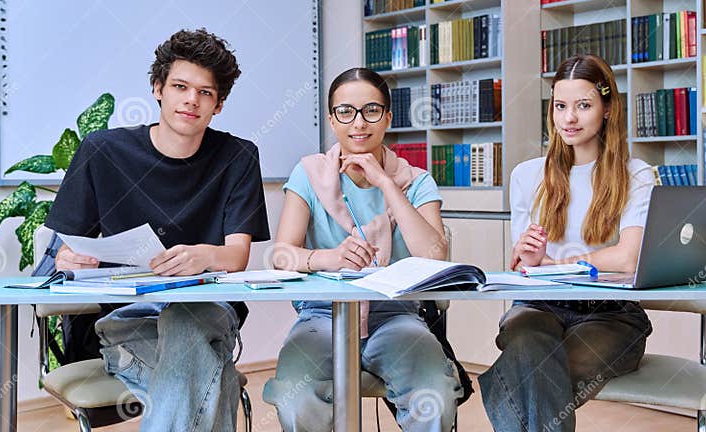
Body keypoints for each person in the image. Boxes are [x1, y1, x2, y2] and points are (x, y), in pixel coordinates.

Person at [44, 28, 270, 432]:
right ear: (157, 88)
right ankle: (223, 378)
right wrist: (68, 258)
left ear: (218, 105)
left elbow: (236, 256)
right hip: (129, 322)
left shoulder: (238, 157)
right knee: (217, 380)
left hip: (207, 314)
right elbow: (62, 251)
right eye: (181, 86)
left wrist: (204, 254)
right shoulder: (102, 151)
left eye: (205, 92)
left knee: (189, 328)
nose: (191, 100)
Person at [262, 67, 463, 431]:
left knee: (435, 394)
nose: (359, 123)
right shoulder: (308, 173)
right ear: (331, 119)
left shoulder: (416, 181)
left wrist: (386, 183)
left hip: (397, 316)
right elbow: (281, 254)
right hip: (322, 315)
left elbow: (435, 257)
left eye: (371, 110)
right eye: (345, 112)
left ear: (387, 117)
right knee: (294, 395)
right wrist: (328, 258)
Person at [478, 54, 654, 432]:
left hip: (610, 314)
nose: (568, 118)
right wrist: (530, 258)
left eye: (583, 105)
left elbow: (627, 259)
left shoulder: (635, 175)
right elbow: (525, 267)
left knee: (528, 373)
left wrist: (554, 264)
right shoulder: (527, 176)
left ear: (608, 109)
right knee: (528, 350)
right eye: (560, 106)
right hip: (538, 305)